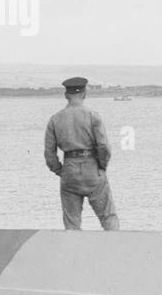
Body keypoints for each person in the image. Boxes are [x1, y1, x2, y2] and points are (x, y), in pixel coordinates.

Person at [44, 76, 120, 230]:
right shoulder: (93, 116)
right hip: (93, 169)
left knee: (71, 223)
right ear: (85, 94)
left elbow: (49, 154)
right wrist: (101, 166)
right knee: (108, 217)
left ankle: (73, 253)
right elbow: (104, 146)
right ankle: (115, 250)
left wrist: (60, 171)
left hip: (69, 170)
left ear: (66, 95)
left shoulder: (55, 119)